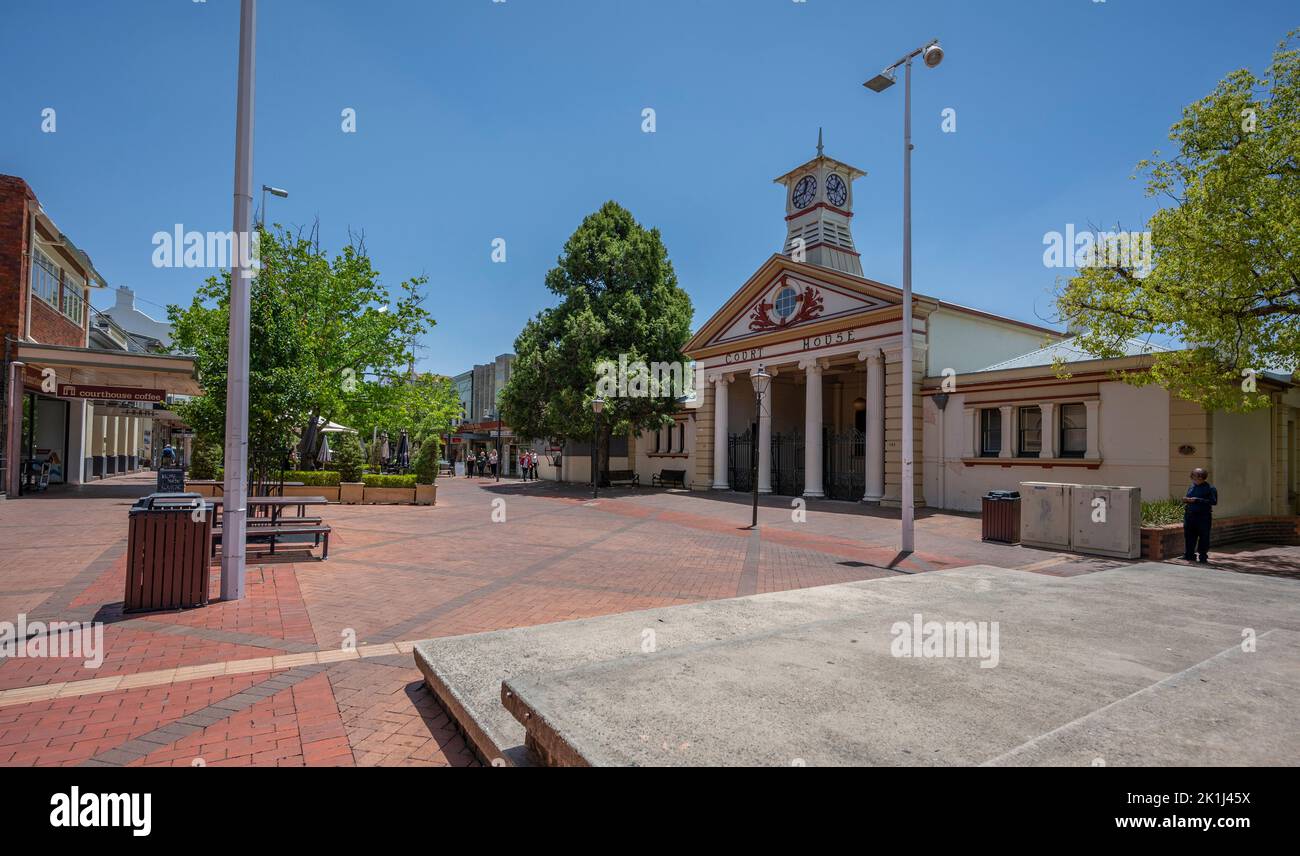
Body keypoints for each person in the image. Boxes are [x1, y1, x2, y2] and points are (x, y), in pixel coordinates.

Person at [1182, 467, 1218, 563]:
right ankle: (1189, 555)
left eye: (1198, 477)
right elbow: (1190, 498)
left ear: (1203, 477)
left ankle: (1203, 556)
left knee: (1204, 537)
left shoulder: (1210, 488)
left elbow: (1213, 502)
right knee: (1189, 536)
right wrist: (1186, 500)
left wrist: (1197, 500)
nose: (1195, 479)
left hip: (1203, 517)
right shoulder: (1191, 486)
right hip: (1190, 516)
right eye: (1193, 476)